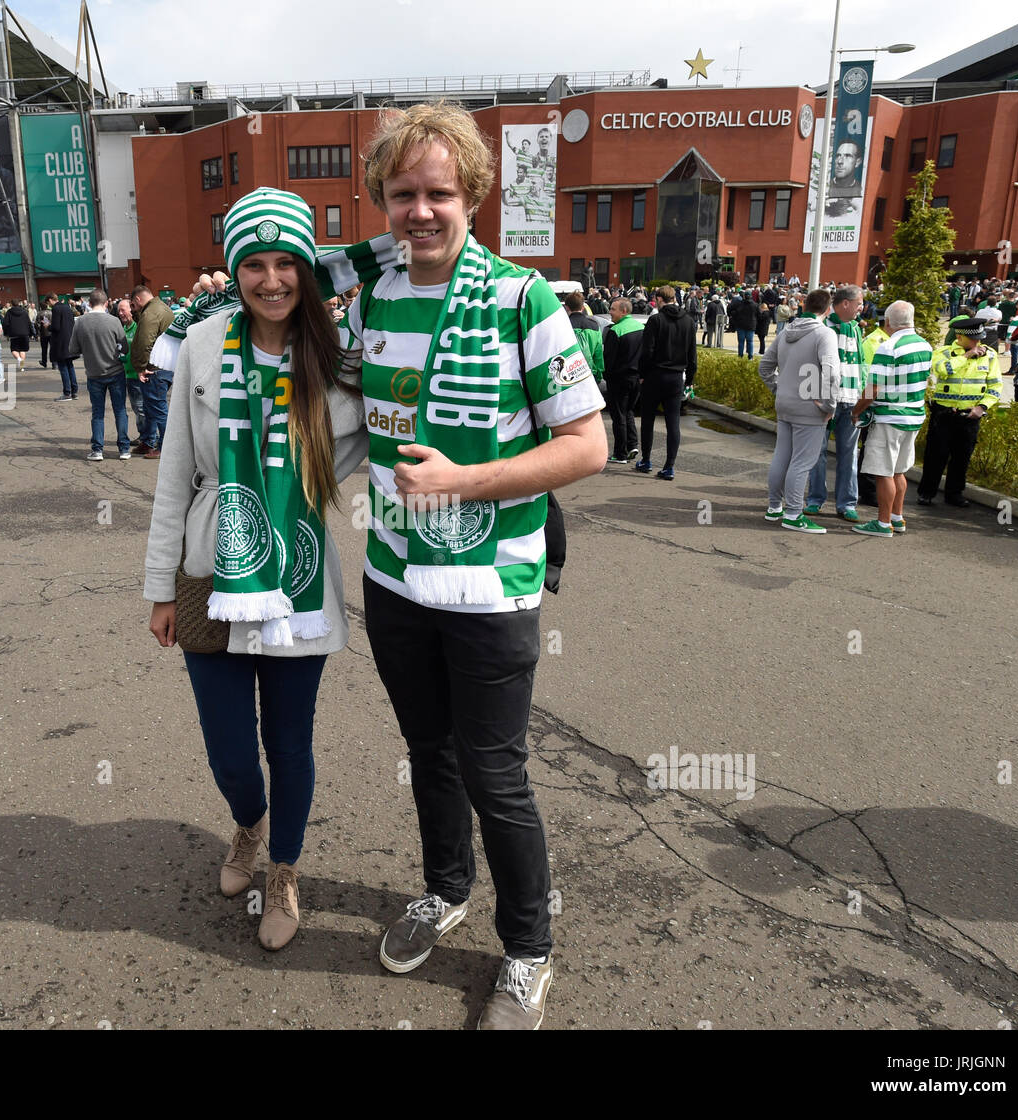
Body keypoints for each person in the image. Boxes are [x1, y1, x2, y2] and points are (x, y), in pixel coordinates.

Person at [349, 102, 605, 1030]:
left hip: (492, 582)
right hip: (393, 578)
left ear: (473, 196)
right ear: (383, 197)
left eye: (440, 193)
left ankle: (529, 947)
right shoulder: (371, 297)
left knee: (497, 773)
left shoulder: (521, 299)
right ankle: (445, 889)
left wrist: (471, 480)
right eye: (404, 192)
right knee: (430, 755)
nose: (421, 210)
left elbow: (588, 444)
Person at [145, 187, 370, 952]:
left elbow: (400, 437)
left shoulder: (341, 360)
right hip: (212, 568)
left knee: (291, 743)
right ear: (234, 271)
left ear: (308, 271)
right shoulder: (204, 344)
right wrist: (159, 587)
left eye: (287, 265)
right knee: (228, 748)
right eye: (254, 265)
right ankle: (249, 822)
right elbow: (176, 472)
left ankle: (284, 867)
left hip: (301, 579)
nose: (271, 280)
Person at [758, 289, 839, 534]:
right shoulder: (825, 334)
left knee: (782, 456)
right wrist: (829, 405)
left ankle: (775, 507)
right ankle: (793, 513)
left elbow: (765, 366)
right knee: (802, 461)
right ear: (828, 309)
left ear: (804, 305)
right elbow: (832, 372)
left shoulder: (785, 332)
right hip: (810, 406)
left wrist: (778, 389)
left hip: (785, 403)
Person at [849, 300, 930, 537]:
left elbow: (873, 389)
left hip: (890, 417)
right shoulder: (924, 345)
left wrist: (856, 411)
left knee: (883, 472)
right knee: (899, 471)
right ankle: (898, 517)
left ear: (888, 321)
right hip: (914, 415)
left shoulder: (889, 347)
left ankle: (883, 523)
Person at [916, 318, 1001, 508]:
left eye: (980, 339)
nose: (978, 343)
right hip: (944, 414)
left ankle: (954, 494)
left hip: (970, 415)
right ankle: (926, 493)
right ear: (960, 337)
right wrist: (967, 356)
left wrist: (982, 407)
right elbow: (942, 370)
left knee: (962, 457)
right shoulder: (943, 353)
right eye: (974, 340)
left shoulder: (990, 356)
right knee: (935, 456)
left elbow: (995, 386)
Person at [803, 284, 867, 523]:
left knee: (849, 455)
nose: (862, 308)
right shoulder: (822, 328)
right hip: (824, 403)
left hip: (851, 401)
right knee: (816, 452)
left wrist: (862, 396)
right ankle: (815, 499)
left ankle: (847, 503)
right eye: (859, 303)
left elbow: (860, 364)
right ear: (845, 304)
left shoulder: (856, 330)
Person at [636, 285, 696, 480]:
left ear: (660, 299)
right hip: (676, 377)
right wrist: (691, 380)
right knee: (673, 423)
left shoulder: (656, 320)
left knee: (648, 419)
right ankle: (669, 466)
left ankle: (646, 460)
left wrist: (642, 374)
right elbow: (692, 355)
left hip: (655, 375)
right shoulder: (688, 321)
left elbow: (647, 351)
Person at [69, 289, 130, 461]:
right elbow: (124, 348)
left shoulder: (80, 322)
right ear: (106, 303)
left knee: (97, 413)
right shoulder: (114, 321)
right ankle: (124, 449)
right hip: (115, 371)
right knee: (120, 410)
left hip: (94, 373)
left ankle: (97, 450)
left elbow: (72, 349)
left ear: (89, 303)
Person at [130, 284, 175, 460]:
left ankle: (164, 447)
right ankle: (148, 441)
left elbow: (144, 343)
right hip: (163, 367)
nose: (133, 309)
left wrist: (141, 367)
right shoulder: (162, 308)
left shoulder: (150, 313)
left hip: (154, 369)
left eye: (133, 305)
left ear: (137, 300)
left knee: (158, 409)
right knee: (151, 408)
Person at [603, 296, 643, 462]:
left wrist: (606, 376)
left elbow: (609, 360)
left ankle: (620, 454)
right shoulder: (641, 327)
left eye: (613, 309)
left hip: (619, 379)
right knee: (628, 412)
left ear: (624, 311)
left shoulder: (615, 331)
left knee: (619, 415)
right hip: (637, 379)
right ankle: (632, 445)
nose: (610, 312)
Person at [115, 298, 145, 450]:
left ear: (131, 311)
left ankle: (147, 438)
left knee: (141, 408)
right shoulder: (122, 329)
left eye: (123, 310)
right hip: (127, 375)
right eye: (119, 310)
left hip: (137, 375)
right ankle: (144, 436)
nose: (120, 313)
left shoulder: (138, 327)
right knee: (136, 408)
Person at [46, 294, 77, 400]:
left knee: (63, 367)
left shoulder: (56, 309)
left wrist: (48, 326)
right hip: (70, 339)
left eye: (48, 303)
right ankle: (74, 392)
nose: (48, 305)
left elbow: (56, 326)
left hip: (60, 341)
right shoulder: (67, 307)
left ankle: (67, 392)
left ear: (50, 300)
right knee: (70, 366)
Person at [2, 299, 32, 374]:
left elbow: (5, 323)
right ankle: (22, 367)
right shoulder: (24, 312)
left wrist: (6, 333)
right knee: (22, 350)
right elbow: (29, 323)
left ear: (11, 304)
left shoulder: (9, 312)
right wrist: (31, 333)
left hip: (14, 333)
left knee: (14, 349)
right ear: (19, 304)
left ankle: (18, 359)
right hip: (24, 333)